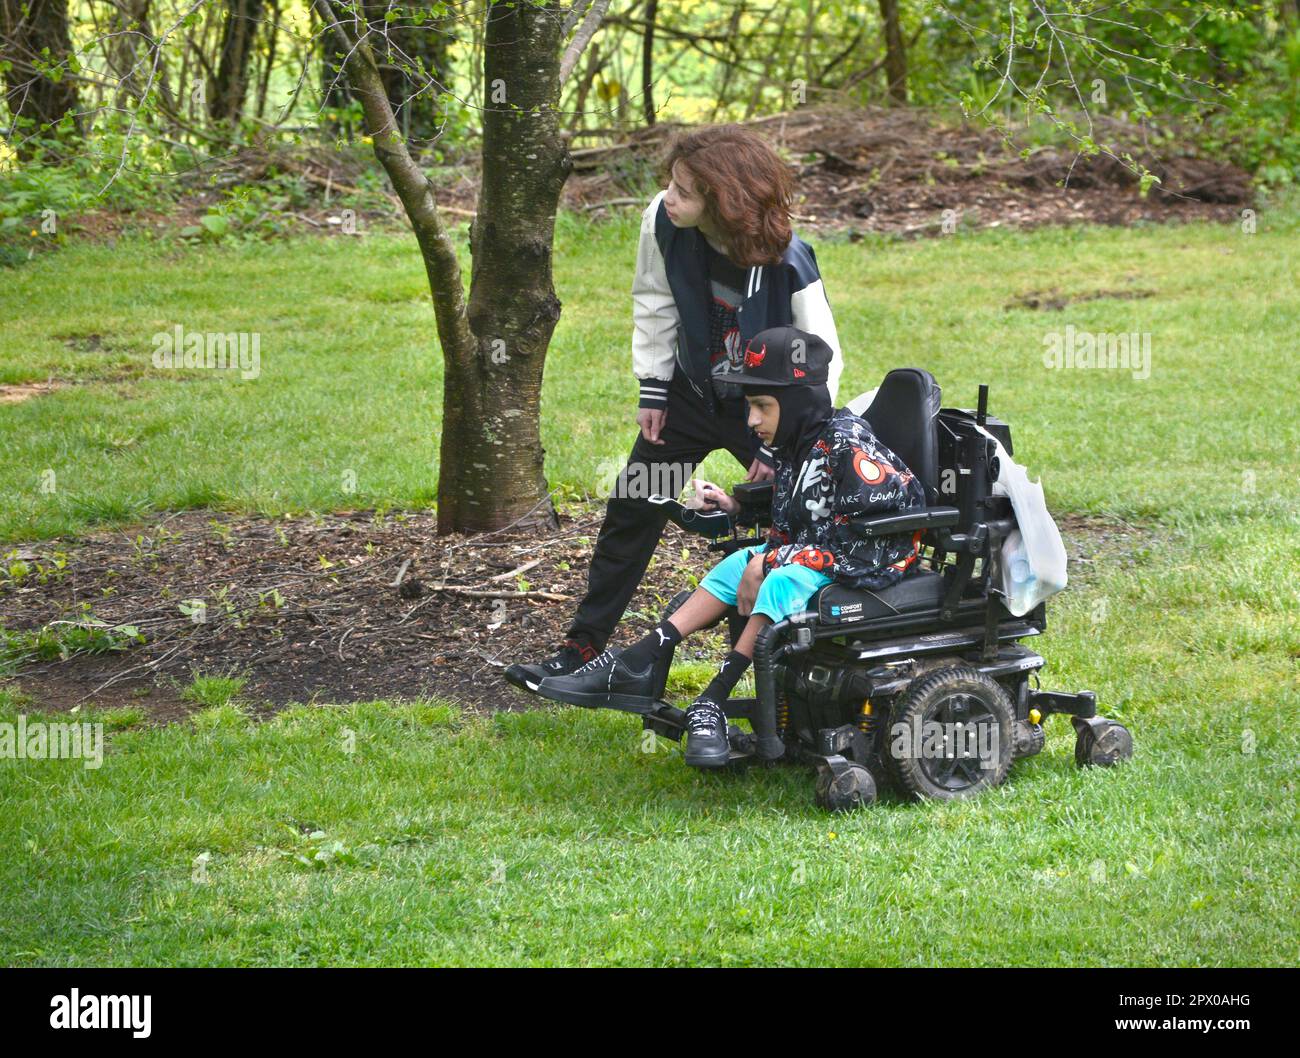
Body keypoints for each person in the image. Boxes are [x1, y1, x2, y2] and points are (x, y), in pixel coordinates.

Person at [506, 124, 845, 690]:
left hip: (763, 412)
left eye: (685, 190)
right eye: (671, 183)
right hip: (687, 398)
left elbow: (822, 359)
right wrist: (655, 388)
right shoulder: (663, 220)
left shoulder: (789, 259)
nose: (670, 196)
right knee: (634, 507)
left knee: (799, 522)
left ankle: (787, 671)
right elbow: (655, 298)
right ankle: (582, 647)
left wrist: (780, 443)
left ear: (726, 200)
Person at [530, 326, 927, 768]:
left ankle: (714, 698)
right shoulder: (798, 443)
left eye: (762, 407)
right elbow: (805, 511)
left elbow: (869, 532)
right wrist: (737, 506)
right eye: (750, 406)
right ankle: (639, 662)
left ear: (796, 403)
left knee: (779, 579)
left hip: (873, 561)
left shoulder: (846, 447)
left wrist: (773, 558)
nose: (751, 421)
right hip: (822, 555)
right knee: (736, 565)